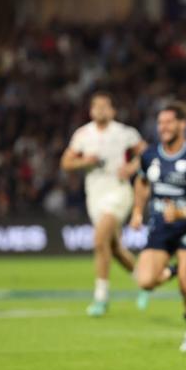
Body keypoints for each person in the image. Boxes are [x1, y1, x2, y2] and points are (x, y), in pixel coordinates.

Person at [129, 101, 186, 351]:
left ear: (182, 125)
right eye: (160, 123)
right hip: (160, 228)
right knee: (144, 281)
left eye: (168, 122)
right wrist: (137, 211)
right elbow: (142, 182)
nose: (163, 127)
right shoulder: (150, 156)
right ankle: (178, 270)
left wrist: (182, 211)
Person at [61, 91, 146, 317]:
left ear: (113, 110)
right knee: (115, 248)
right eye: (96, 106)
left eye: (104, 106)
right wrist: (83, 161)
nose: (100, 110)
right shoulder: (82, 135)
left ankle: (101, 298)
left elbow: (147, 154)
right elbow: (66, 162)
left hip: (118, 192)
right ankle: (144, 281)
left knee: (99, 240)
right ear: (90, 111)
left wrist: (132, 167)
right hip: (94, 195)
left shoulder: (125, 133)